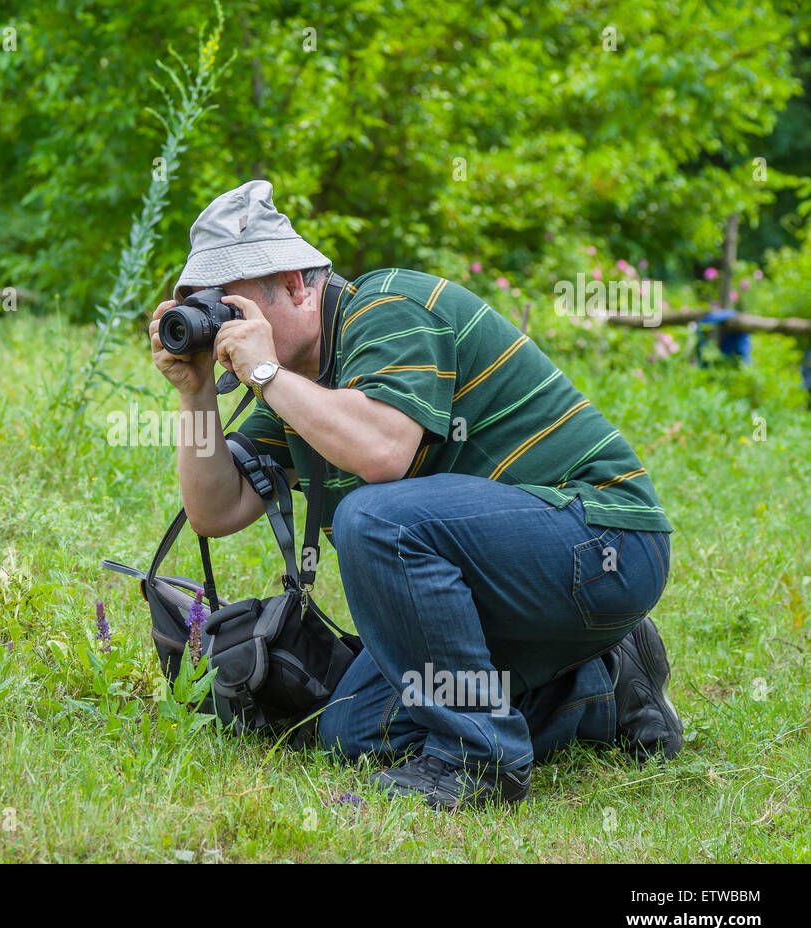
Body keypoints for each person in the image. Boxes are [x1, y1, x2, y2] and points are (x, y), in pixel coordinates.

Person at [149, 179, 683, 810]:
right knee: (351, 730)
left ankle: (478, 761)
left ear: (296, 284)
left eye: (233, 309)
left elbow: (382, 453)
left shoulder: (390, 305)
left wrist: (264, 374)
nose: (227, 330)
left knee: (376, 518)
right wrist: (196, 392)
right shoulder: (298, 388)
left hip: (602, 541)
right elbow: (216, 511)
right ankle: (605, 683)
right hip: (513, 587)